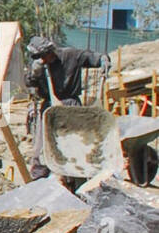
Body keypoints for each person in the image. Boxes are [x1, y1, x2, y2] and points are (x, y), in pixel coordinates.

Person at [24, 36, 111, 180]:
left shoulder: (71, 55)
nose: (45, 60)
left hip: (71, 105)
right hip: (49, 107)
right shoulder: (38, 64)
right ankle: (39, 179)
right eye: (41, 58)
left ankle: (75, 179)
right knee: (42, 145)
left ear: (51, 51)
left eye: (46, 56)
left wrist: (103, 59)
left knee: (74, 144)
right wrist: (34, 74)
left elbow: (92, 57)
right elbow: (29, 83)